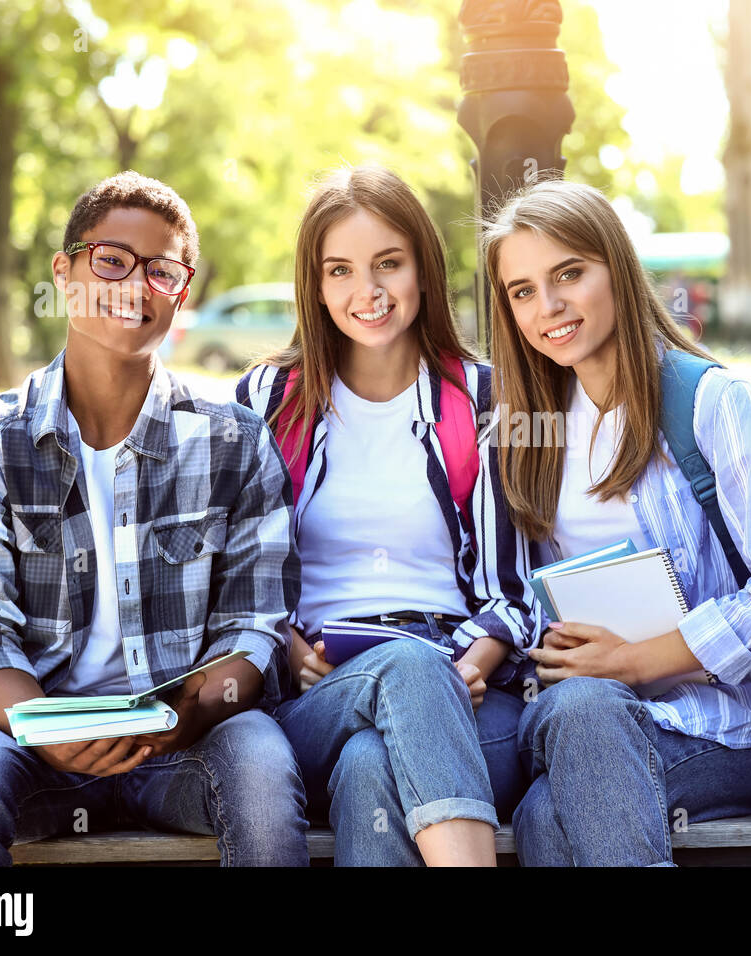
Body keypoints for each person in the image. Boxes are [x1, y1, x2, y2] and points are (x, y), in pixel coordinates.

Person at [0, 171, 309, 866]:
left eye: (161, 271)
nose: (134, 286)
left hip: (187, 743)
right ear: (64, 274)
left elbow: (252, 632)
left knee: (261, 771)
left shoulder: (235, 443)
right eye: (110, 261)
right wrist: (50, 733)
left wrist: (179, 720)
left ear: (180, 295)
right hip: (33, 747)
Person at [477, 178, 751, 866]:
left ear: (617, 267)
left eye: (569, 274)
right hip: (579, 716)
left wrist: (632, 661)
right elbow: (515, 595)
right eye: (522, 291)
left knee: (550, 813)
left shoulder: (712, 404)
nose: (549, 307)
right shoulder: (522, 434)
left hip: (722, 727)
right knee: (581, 715)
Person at [235, 166, 536, 866]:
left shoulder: (482, 398)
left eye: (388, 265)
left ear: (424, 271)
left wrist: (470, 661)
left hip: (465, 689)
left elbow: (515, 591)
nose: (365, 292)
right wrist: (287, 648)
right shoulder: (267, 398)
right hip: (315, 696)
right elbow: (238, 577)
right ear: (314, 285)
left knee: (373, 762)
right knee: (399, 678)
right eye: (339, 270)